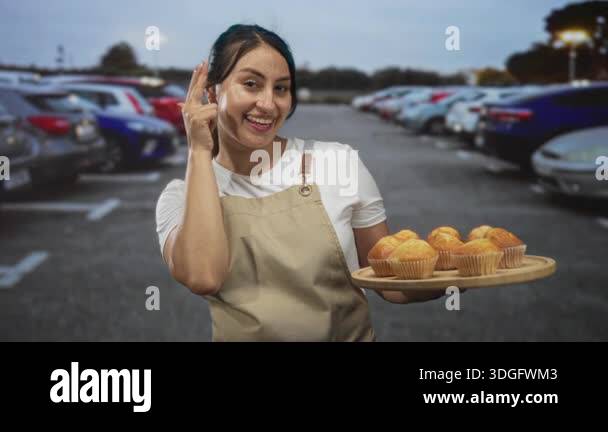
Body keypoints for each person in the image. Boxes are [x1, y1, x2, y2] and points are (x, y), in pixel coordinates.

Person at [155, 24, 444, 342]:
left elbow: (389, 284)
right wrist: (199, 151)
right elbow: (203, 276)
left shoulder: (338, 163)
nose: (268, 104)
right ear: (212, 92)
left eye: (280, 88)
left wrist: (451, 275)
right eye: (251, 84)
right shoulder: (181, 196)